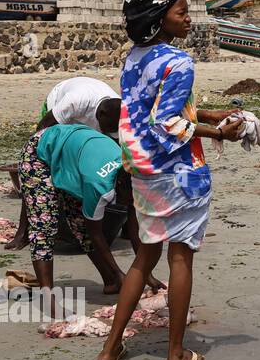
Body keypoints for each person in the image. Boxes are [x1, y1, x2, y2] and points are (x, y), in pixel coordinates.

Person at [99, 0, 239, 360]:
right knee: (181, 258)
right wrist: (219, 133)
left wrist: (208, 112)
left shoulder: (134, 57)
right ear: (161, 19)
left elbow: (145, 112)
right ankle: (175, 354)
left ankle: (111, 348)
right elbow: (165, 122)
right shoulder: (179, 62)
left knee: (144, 257)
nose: (189, 18)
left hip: (143, 174)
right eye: (182, 12)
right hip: (178, 174)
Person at [18, 123, 159, 299]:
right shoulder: (98, 186)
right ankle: (48, 296)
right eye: (129, 198)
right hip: (41, 151)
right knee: (44, 226)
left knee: (80, 223)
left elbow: (134, 228)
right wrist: (119, 271)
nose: (130, 202)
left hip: (75, 155)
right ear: (120, 185)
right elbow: (96, 234)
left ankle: (111, 281)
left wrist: (146, 274)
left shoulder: (133, 176)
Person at [6, 76, 123, 251]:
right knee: (40, 177)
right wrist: (31, 166)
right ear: (100, 115)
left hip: (84, 135)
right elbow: (39, 136)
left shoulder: (118, 111)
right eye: (108, 129)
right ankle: (23, 231)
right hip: (57, 117)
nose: (110, 133)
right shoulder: (75, 102)